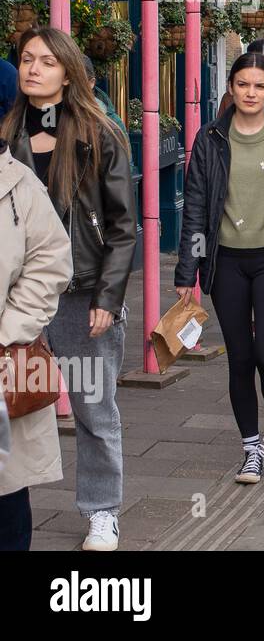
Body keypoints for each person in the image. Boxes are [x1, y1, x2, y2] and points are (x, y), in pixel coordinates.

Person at [2, 27, 135, 549]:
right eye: (27, 59)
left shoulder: (98, 131)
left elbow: (124, 225)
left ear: (68, 71)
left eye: (46, 61)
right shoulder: (8, 130)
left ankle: (102, 510)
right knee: (14, 405)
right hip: (18, 297)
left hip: (81, 296)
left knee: (93, 409)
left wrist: (109, 297)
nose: (33, 68)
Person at [175, 52, 264, 486]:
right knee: (240, 359)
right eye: (243, 84)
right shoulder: (210, 137)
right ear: (230, 87)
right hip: (226, 260)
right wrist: (186, 271)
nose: (250, 93)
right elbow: (194, 206)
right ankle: (251, 448)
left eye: (259, 86)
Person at [0, 134, 73, 551]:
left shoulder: (22, 188)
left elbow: (49, 265)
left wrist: (9, 332)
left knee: (7, 492)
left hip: (5, 359)